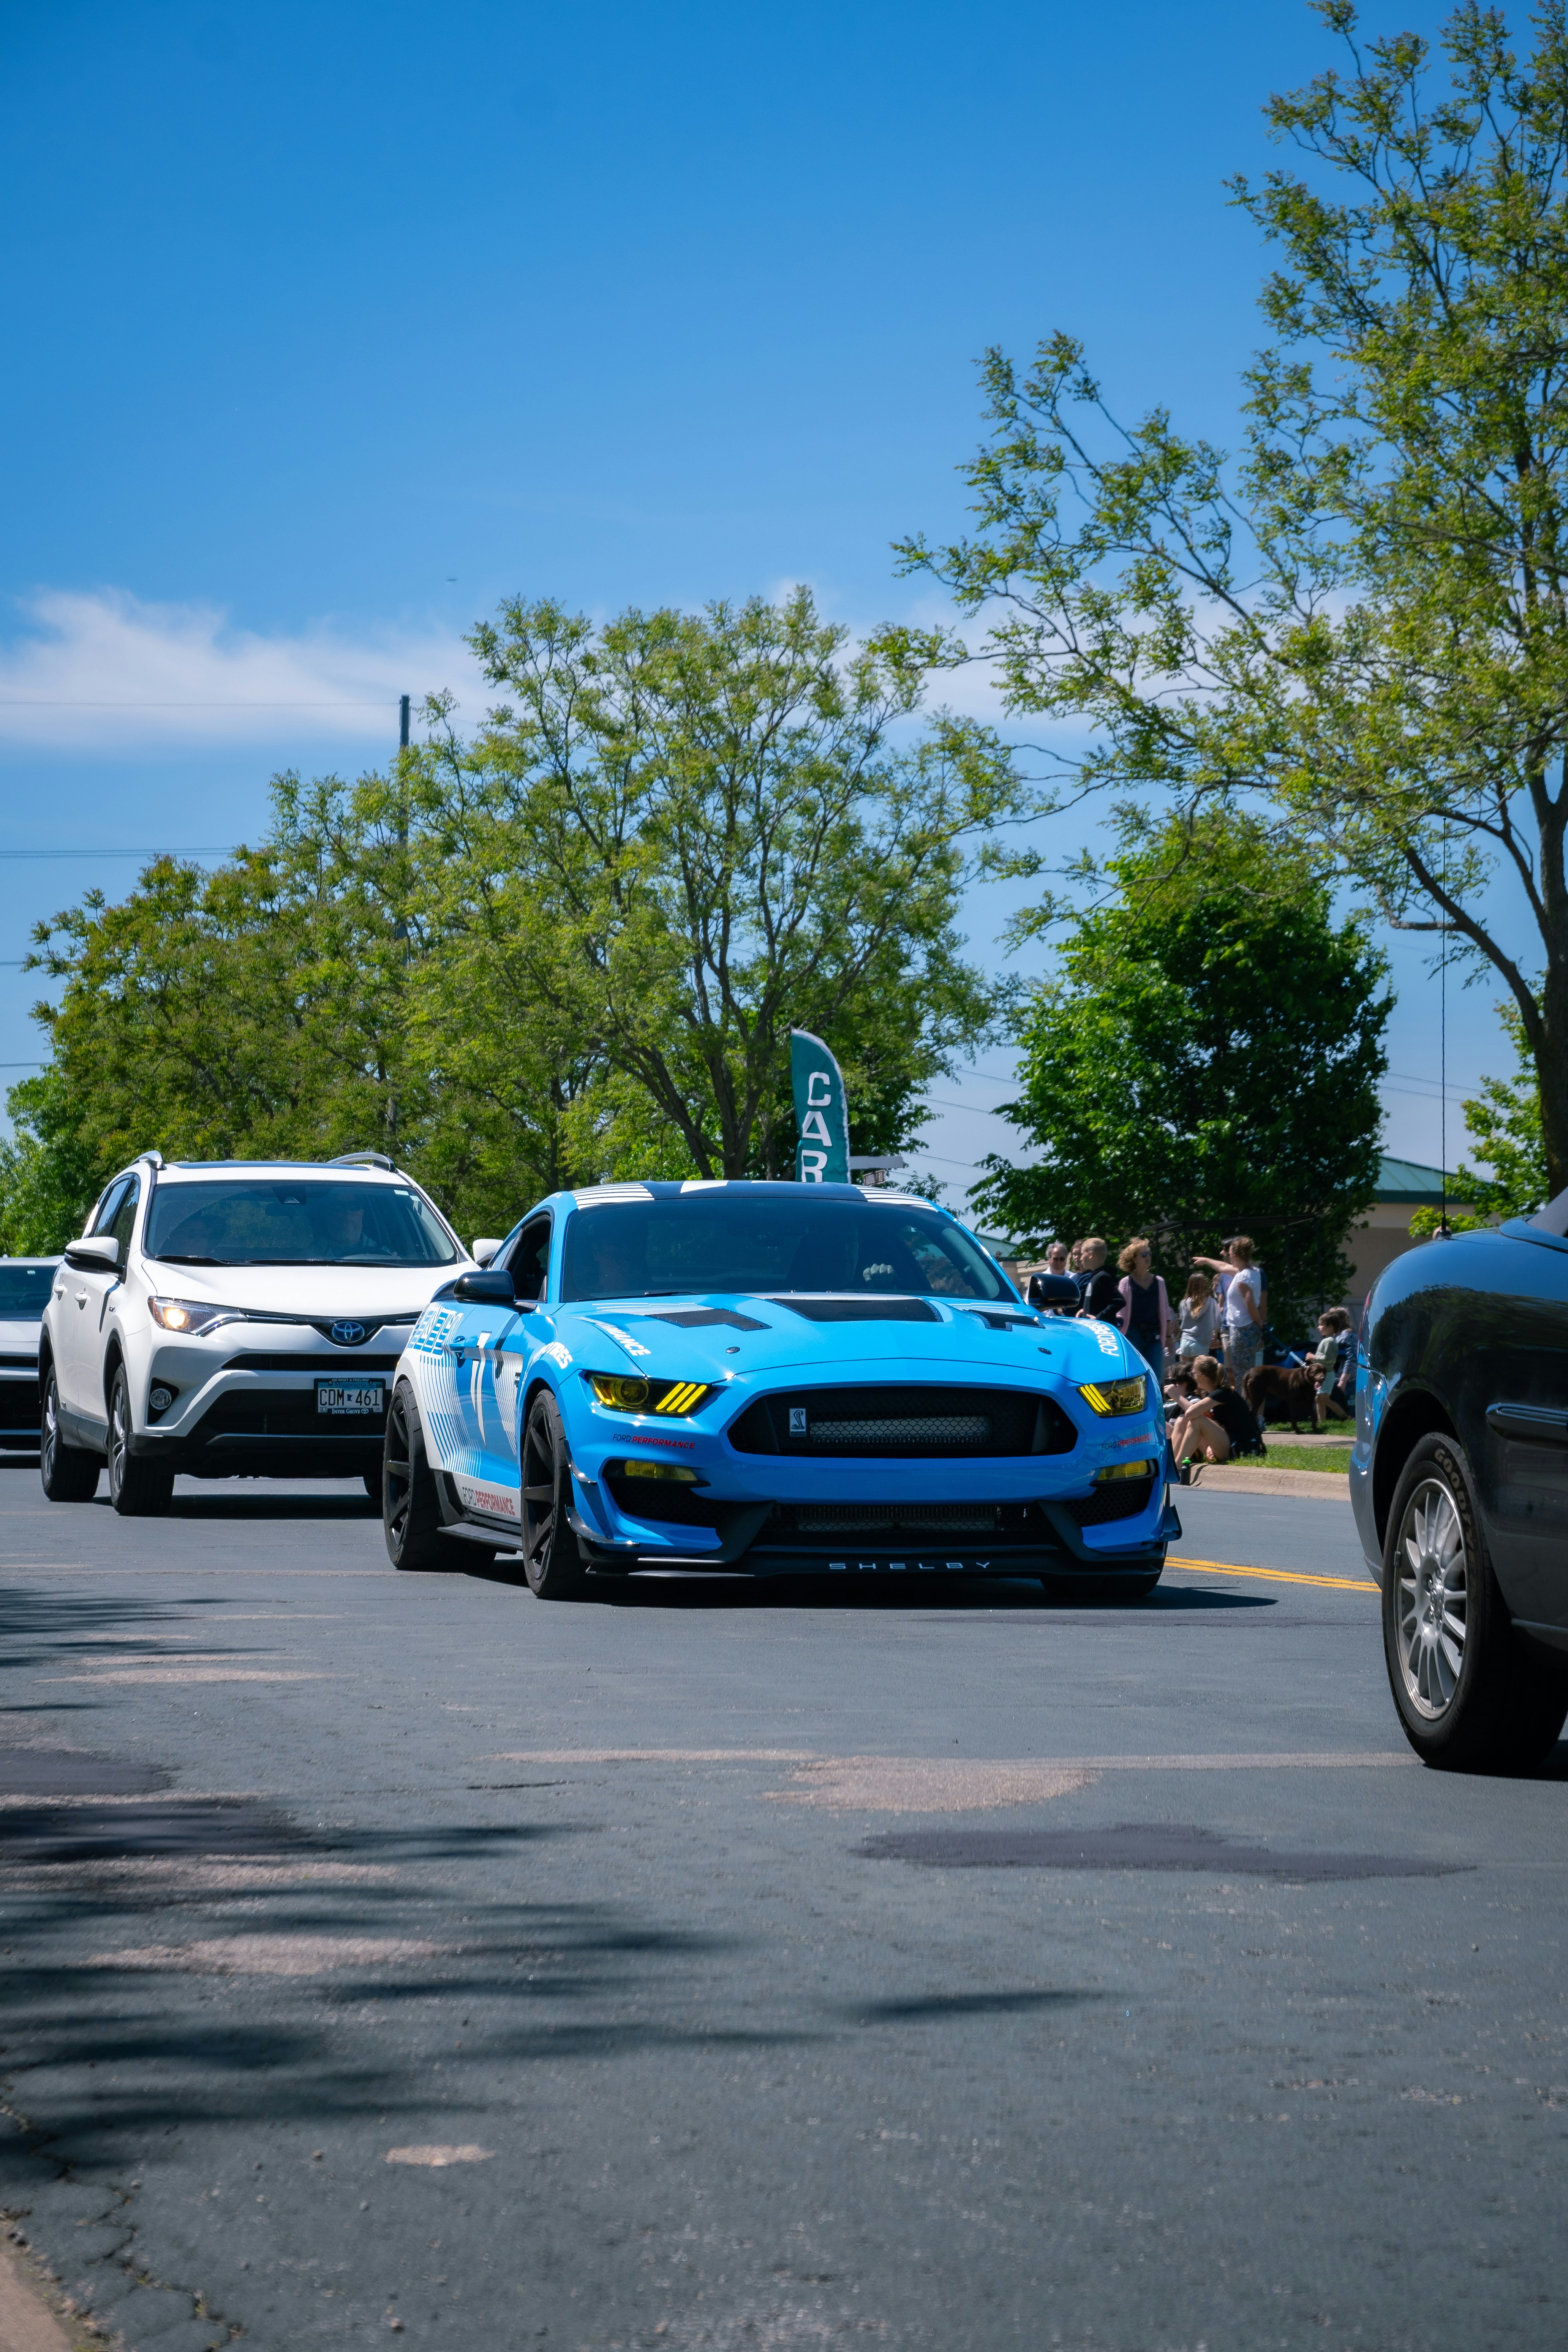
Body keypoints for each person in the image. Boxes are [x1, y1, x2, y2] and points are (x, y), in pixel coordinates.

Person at [1170, 1355, 1264, 1465]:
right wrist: (1210, 1446)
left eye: (1193, 1374)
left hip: (1242, 1448)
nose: (1193, 1378)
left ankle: (1178, 1466)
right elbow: (1216, 1425)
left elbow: (1191, 1413)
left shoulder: (1223, 1393)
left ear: (1201, 1376)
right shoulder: (1214, 1394)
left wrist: (1177, 1397)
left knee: (1196, 1420)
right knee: (1183, 1420)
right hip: (1231, 1443)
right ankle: (1171, 1464)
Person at [1115, 1238, 1170, 1374]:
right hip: (1133, 1335)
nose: (1148, 1257)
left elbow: (1166, 1312)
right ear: (1134, 1259)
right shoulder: (1126, 1283)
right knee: (1137, 1375)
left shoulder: (1159, 1282)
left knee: (1156, 1376)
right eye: (1144, 1255)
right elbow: (1120, 1314)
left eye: (1150, 1254)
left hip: (1154, 1336)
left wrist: (1169, 1337)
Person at [1312, 1306, 1353, 1423]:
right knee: (1319, 1399)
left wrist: (1314, 1358)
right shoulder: (1327, 1341)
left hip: (1328, 1375)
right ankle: (1322, 1423)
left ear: (1330, 1327)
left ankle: (1345, 1416)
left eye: (1322, 1325)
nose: (1319, 1327)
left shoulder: (1330, 1341)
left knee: (1324, 1398)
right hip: (1323, 1374)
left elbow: (1329, 1359)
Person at [1073, 1236, 1122, 1323]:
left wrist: (1098, 1318)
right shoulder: (1095, 1276)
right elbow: (1099, 1303)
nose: (1081, 1258)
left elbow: (1119, 1301)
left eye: (1082, 1254)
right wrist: (1085, 1310)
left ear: (1091, 1255)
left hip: (1103, 1331)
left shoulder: (1103, 1277)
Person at [1175, 1270, 1220, 1362]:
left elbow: (1184, 1322)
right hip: (1201, 1344)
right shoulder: (1211, 1302)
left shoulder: (1183, 1303)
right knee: (1198, 1375)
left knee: (1185, 1374)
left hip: (1185, 1342)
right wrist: (1215, 1338)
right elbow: (1218, 1323)